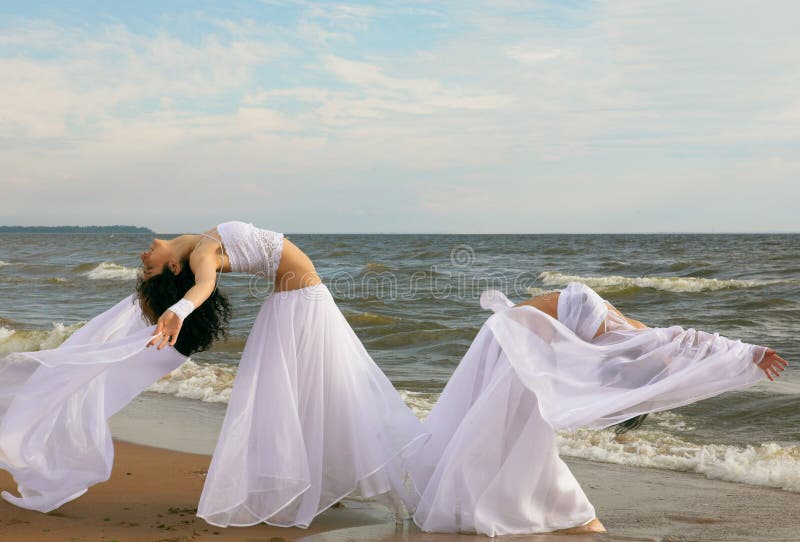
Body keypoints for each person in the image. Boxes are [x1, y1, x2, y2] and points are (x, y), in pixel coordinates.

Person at [410, 282, 787, 536]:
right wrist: (750, 352)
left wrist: (749, 354)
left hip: (510, 339)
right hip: (513, 341)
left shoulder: (625, 340)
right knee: (509, 433)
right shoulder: (636, 337)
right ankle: (565, 513)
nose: (670, 367)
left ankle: (554, 510)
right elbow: (689, 341)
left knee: (509, 433)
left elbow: (683, 344)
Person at [137, 221, 427, 528]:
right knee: (317, 394)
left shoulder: (191, 243)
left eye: (147, 270)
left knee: (309, 394)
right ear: (173, 265)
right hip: (300, 304)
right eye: (150, 270)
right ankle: (303, 484)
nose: (143, 261)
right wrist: (180, 310)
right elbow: (204, 284)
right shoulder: (200, 255)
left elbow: (187, 264)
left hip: (295, 302)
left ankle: (313, 480)